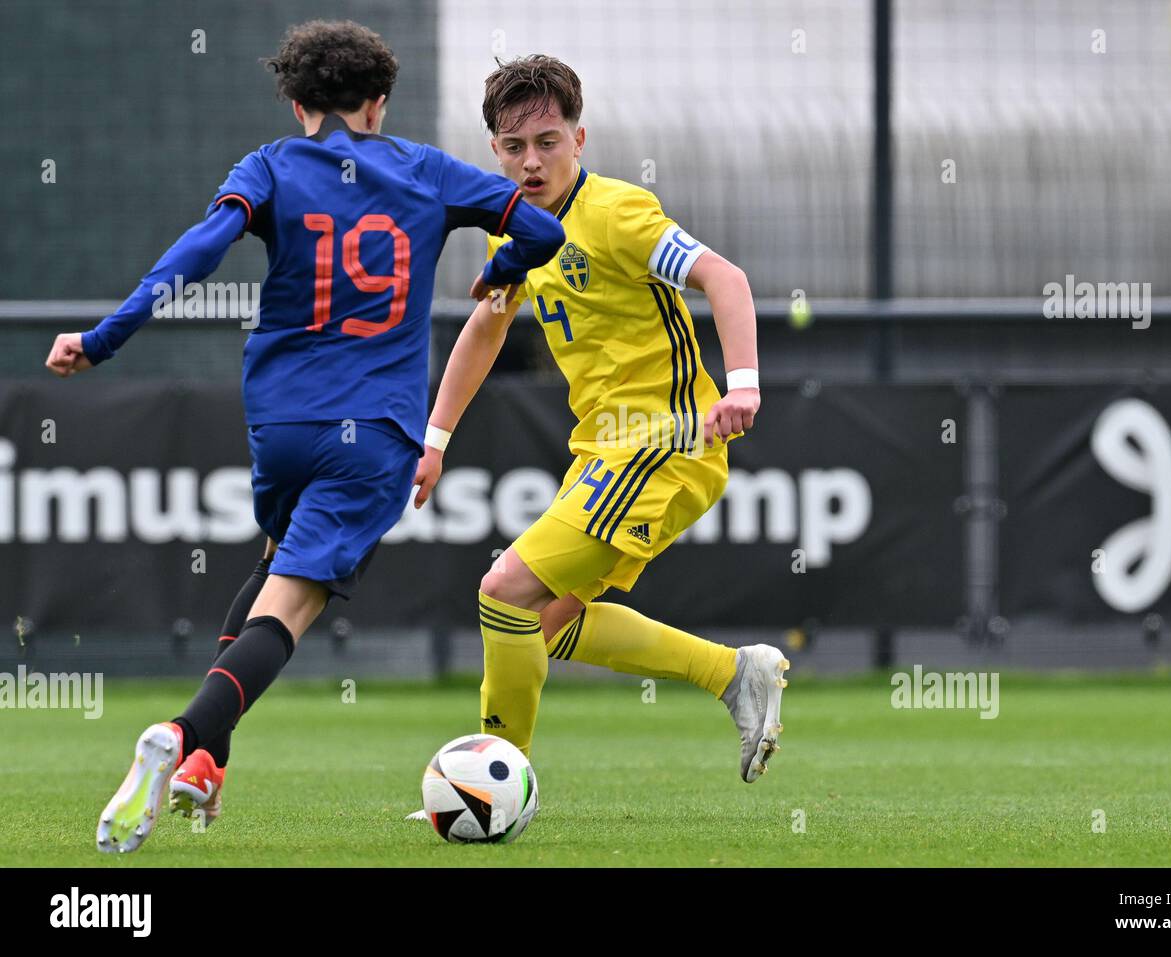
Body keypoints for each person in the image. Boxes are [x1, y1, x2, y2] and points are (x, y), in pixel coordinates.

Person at [44, 21, 564, 853]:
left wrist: (103, 337)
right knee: (291, 603)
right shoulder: (424, 171)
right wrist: (501, 269)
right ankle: (185, 733)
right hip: (377, 435)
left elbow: (201, 249)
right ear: (379, 102)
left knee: (275, 557)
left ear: (298, 106)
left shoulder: (271, 166)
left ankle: (207, 762)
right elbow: (543, 231)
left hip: (280, 424)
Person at [412, 55, 788, 786]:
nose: (531, 160)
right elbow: (486, 329)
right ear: (494, 150)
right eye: (515, 146)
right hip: (604, 452)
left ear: (579, 140)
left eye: (548, 141)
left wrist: (742, 385)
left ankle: (490, 780)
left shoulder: (617, 213)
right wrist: (435, 438)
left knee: (503, 592)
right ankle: (736, 674)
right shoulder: (513, 231)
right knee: (541, 624)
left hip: (665, 442)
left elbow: (725, 278)